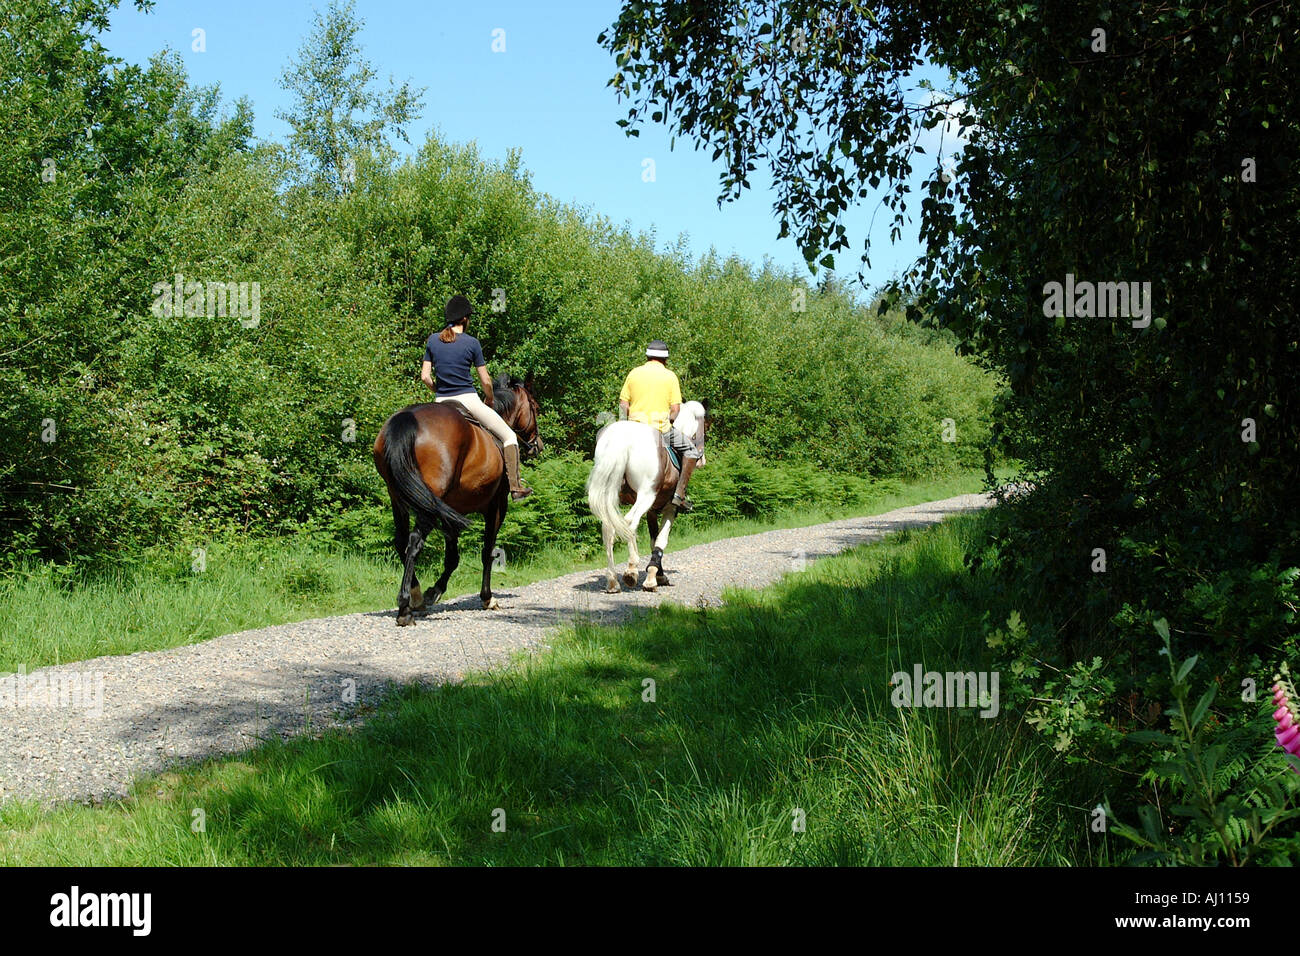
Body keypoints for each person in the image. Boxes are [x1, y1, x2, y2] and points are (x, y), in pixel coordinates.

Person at [421, 294, 533, 500]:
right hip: (468, 400)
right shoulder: (472, 343)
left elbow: (425, 377)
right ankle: (516, 487)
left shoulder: (432, 340)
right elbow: (486, 381)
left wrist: (439, 390)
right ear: (464, 319)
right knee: (509, 437)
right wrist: (489, 398)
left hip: (439, 402)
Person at [618, 339, 702, 512]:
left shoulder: (634, 373)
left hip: (633, 428)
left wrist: (625, 424)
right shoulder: (670, 376)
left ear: (647, 356)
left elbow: (623, 405)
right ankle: (679, 495)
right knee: (691, 451)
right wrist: (669, 421)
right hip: (660, 429)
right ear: (665, 359)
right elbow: (675, 410)